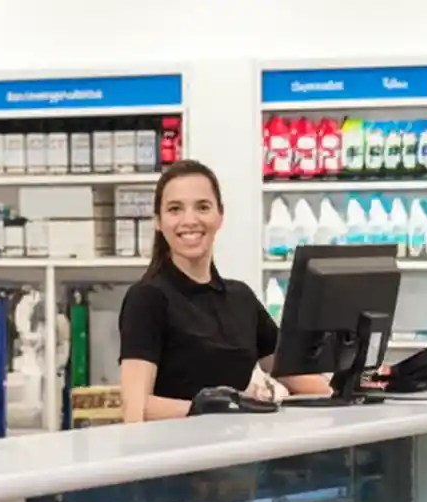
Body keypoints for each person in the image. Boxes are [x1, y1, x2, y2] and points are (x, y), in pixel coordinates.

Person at [119, 160, 330, 422]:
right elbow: (135, 409)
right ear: (158, 222)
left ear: (220, 216)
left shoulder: (240, 298)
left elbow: (302, 379)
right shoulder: (148, 298)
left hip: (236, 452)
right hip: (178, 456)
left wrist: (355, 379)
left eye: (203, 207)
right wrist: (206, 408)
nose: (189, 220)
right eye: (175, 209)